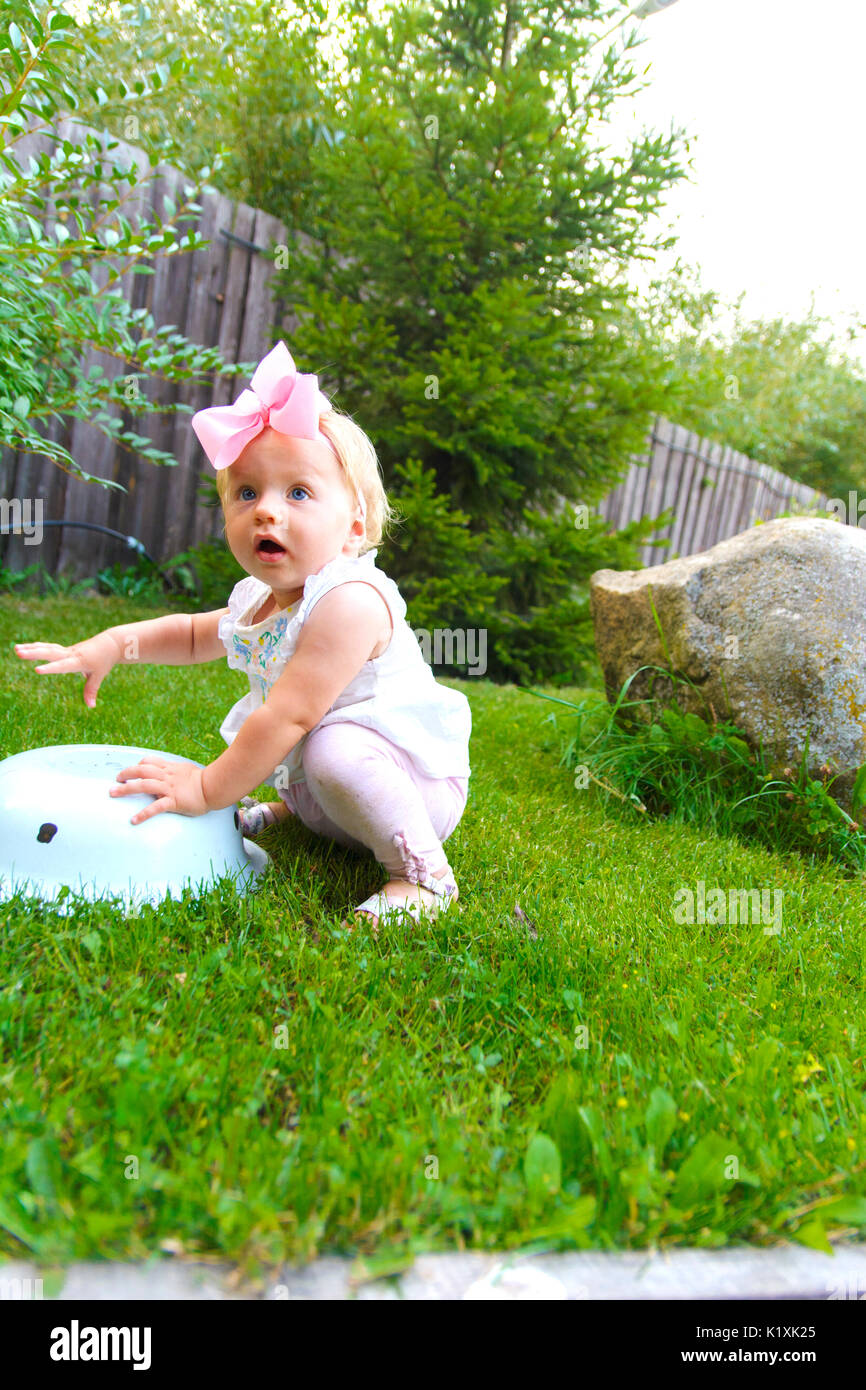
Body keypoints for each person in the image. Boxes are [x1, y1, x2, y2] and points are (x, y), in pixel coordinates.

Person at [14, 342, 471, 927]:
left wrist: (208, 788)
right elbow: (188, 635)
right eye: (247, 493)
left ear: (354, 525)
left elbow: (289, 718)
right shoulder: (258, 599)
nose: (265, 511)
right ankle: (294, 811)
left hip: (408, 788)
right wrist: (109, 645)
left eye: (298, 493)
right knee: (315, 753)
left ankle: (424, 876)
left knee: (329, 745)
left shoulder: (351, 601)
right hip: (333, 783)